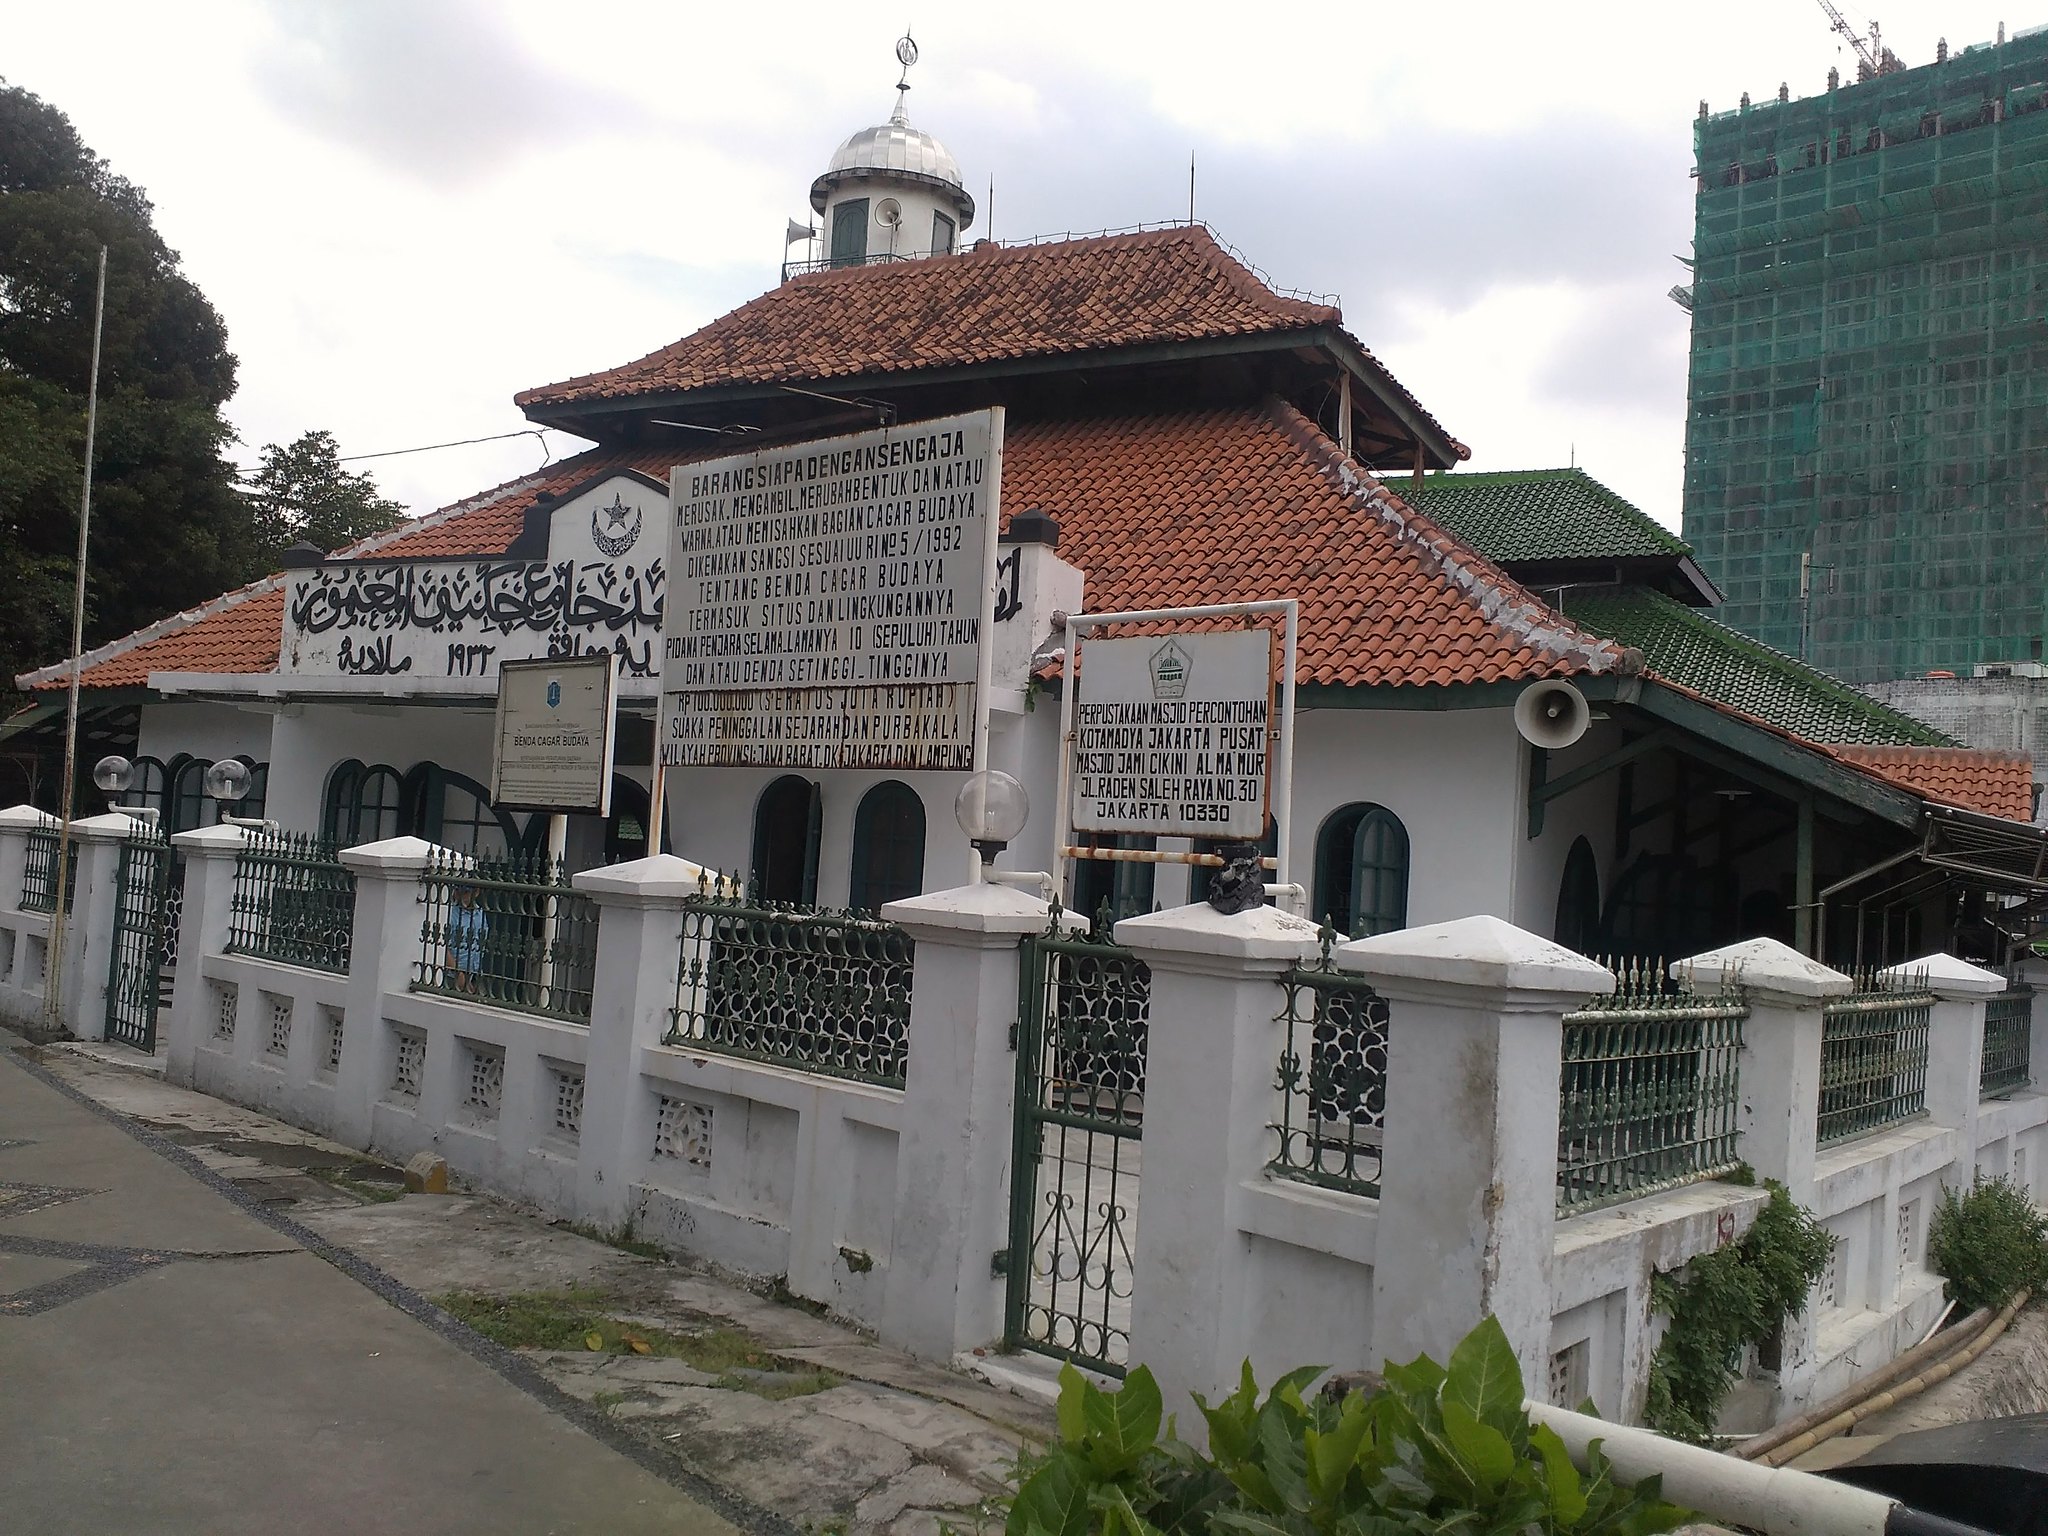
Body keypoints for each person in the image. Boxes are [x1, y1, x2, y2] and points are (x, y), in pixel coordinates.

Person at [446, 884, 486, 993]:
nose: (461, 896)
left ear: (476, 892)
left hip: (474, 973)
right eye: (458, 892)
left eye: (466, 893)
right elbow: (443, 948)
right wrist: (459, 975)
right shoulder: (451, 914)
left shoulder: (480, 914)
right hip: (452, 976)